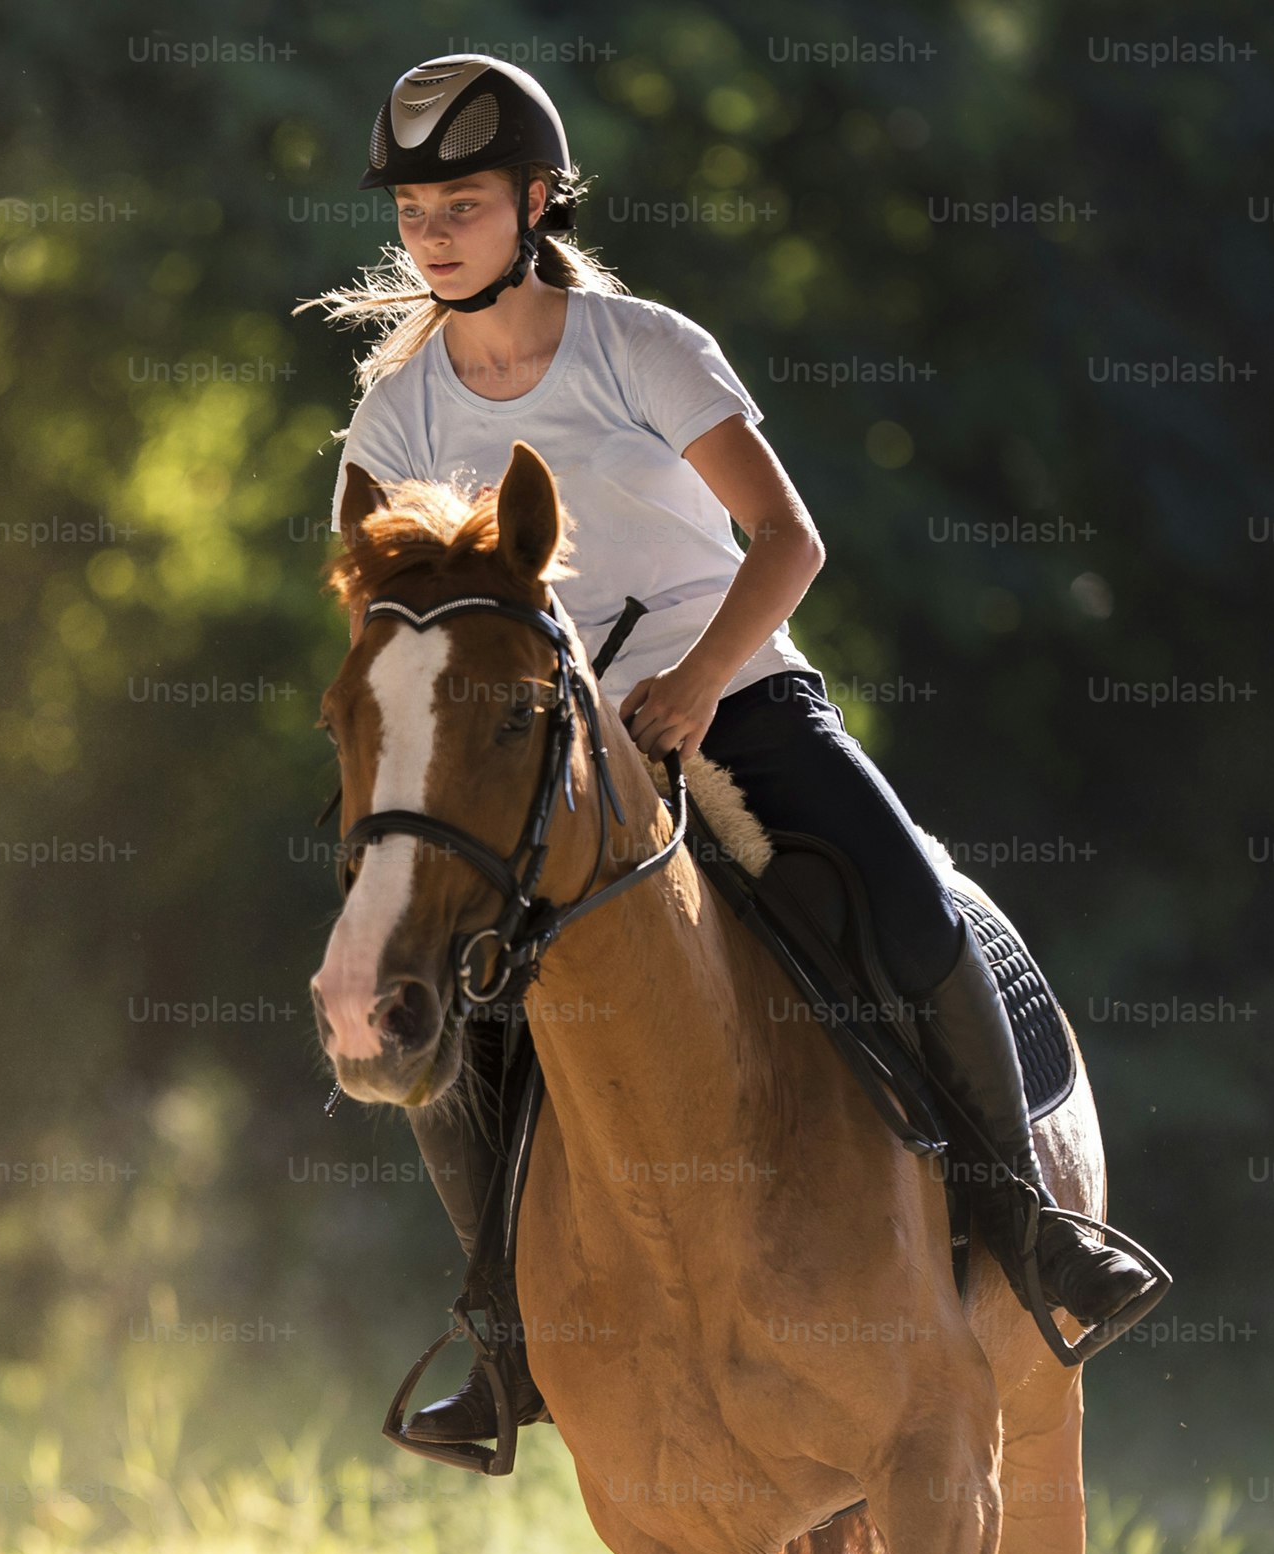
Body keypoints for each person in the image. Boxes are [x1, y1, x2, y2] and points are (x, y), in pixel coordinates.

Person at [306, 56, 1165, 1451]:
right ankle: (506, 1339)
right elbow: (381, 596)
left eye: (461, 202)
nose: (432, 232)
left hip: (734, 697)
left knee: (909, 904)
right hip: (536, 754)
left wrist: (699, 687)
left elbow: (791, 543)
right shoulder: (398, 411)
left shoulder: (644, 346)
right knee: (424, 998)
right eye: (414, 208)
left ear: (534, 202)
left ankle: (1032, 1231)